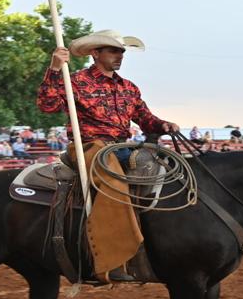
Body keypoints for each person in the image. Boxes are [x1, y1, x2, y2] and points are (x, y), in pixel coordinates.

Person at [38, 29, 181, 284]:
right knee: (115, 183)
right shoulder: (76, 81)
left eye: (122, 52)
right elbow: (47, 105)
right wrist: (55, 68)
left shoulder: (129, 88)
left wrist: (164, 125)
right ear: (96, 53)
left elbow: (145, 118)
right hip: (88, 146)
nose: (120, 56)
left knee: (165, 170)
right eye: (113, 51)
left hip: (121, 146)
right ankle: (109, 258)